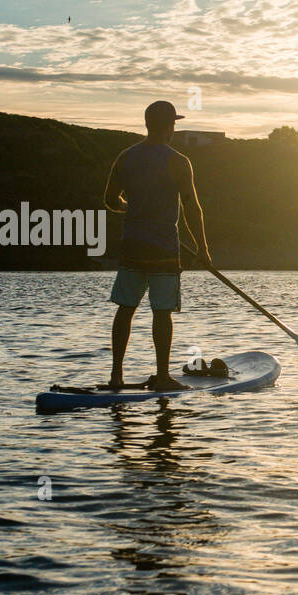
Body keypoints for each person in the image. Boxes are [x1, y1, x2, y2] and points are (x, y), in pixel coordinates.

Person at [102, 100, 212, 391]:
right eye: (174, 123)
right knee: (161, 312)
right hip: (163, 248)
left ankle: (116, 376)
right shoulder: (178, 161)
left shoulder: (125, 157)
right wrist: (203, 249)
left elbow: (111, 201)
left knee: (125, 309)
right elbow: (192, 208)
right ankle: (162, 376)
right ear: (169, 126)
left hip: (132, 246)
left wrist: (133, 208)